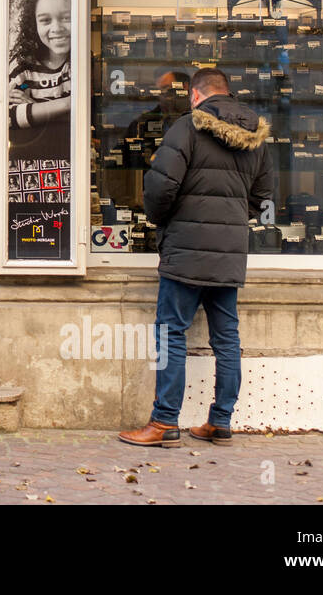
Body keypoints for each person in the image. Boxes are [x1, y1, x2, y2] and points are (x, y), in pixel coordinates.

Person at [118, 67, 274, 448]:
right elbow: (265, 197)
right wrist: (232, 222)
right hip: (228, 255)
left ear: (195, 96)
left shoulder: (187, 128)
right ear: (227, 92)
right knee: (227, 338)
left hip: (186, 252)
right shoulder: (257, 138)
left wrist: (163, 221)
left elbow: (159, 186)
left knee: (171, 333)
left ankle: (164, 422)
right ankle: (220, 421)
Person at [8, 0, 71, 162]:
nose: (56, 28)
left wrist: (35, 107)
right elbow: (10, 118)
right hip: (29, 166)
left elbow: (87, 115)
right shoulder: (22, 65)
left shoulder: (82, 62)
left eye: (67, 17)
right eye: (45, 20)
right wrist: (68, 104)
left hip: (71, 163)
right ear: (32, 24)